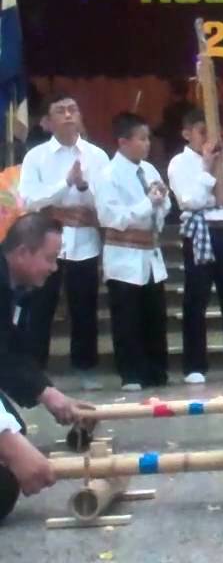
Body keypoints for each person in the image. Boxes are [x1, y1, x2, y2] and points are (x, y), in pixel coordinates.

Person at [0, 213, 95, 520]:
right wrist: (8, 442)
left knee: (17, 431)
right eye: (50, 259)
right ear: (23, 253)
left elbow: (8, 349)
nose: (55, 268)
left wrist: (48, 393)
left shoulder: (12, 285)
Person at [17, 92, 110, 390]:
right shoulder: (36, 156)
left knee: (85, 306)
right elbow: (30, 200)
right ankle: (35, 371)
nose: (69, 115)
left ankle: (85, 367)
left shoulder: (97, 156)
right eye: (61, 111)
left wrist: (84, 188)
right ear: (47, 121)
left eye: (73, 109)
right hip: (44, 245)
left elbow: (107, 201)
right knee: (40, 308)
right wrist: (65, 185)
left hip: (84, 240)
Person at [168, 108, 223, 384]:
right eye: (202, 132)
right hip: (199, 230)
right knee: (196, 299)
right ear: (187, 133)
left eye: (212, 132)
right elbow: (189, 200)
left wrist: (221, 169)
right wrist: (206, 170)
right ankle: (195, 365)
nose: (208, 138)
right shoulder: (178, 164)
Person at [95, 113, 171, 391]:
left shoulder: (150, 170)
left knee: (154, 315)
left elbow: (164, 207)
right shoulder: (108, 175)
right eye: (141, 138)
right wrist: (147, 204)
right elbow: (110, 217)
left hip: (150, 253)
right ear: (123, 142)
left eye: (148, 138)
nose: (146, 144)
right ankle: (131, 373)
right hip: (124, 254)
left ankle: (157, 370)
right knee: (127, 318)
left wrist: (161, 202)